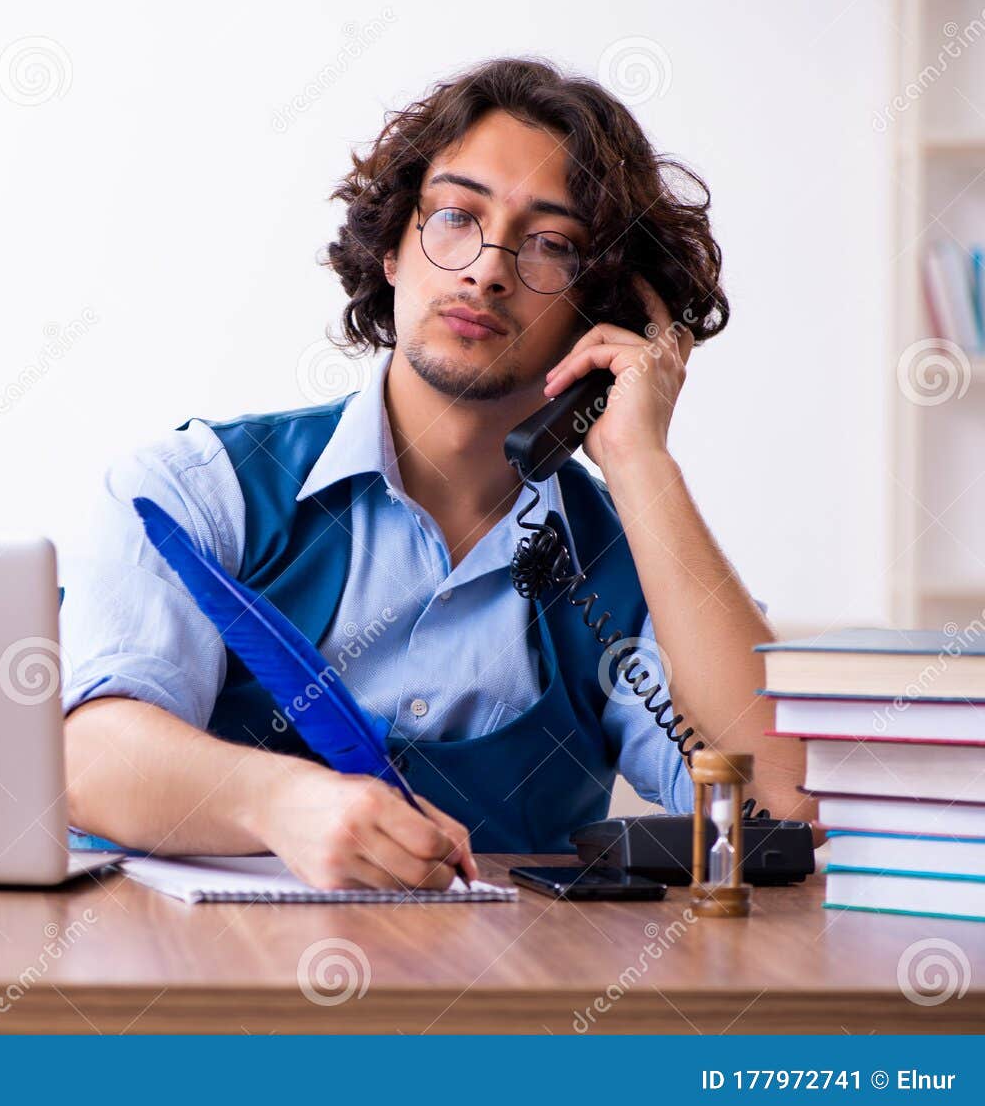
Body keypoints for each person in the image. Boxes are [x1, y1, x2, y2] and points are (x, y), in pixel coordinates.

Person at [60, 56, 799, 891]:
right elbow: (86, 756)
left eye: (551, 244)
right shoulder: (201, 491)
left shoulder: (630, 564)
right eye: (455, 215)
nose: (487, 268)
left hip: (520, 1012)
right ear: (390, 250)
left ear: (602, 309)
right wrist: (280, 803)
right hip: (219, 1000)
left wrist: (641, 461)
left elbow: (783, 807)